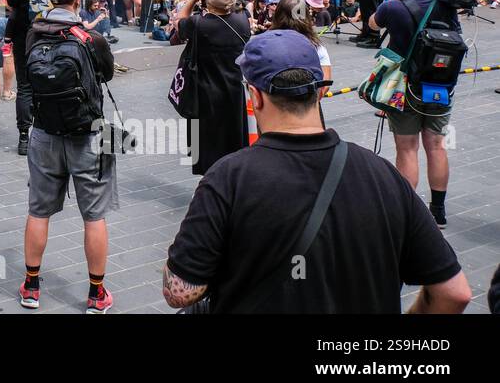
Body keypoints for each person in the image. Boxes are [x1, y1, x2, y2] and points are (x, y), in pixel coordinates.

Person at [162, 29, 470, 314]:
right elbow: (454, 293)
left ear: (254, 96)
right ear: (319, 92)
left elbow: (180, 292)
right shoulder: (383, 174)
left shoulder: (228, 178)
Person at [20, 0, 118, 313]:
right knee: (94, 215)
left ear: (50, 0)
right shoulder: (91, 39)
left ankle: (31, 286)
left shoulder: (34, 35)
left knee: (38, 210)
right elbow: (106, 74)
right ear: (78, 0)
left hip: (44, 131)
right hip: (88, 134)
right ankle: (96, 294)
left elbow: (27, 80)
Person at [369, 0, 454, 225]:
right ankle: (438, 211)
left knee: (407, 149)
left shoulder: (394, 7)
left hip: (405, 88)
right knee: (437, 146)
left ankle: (408, 213)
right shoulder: (447, 5)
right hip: (440, 86)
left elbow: (372, 23)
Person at [169, 0, 250, 175]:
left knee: (207, 144)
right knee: (233, 141)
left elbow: (178, 21)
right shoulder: (242, 20)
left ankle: (210, 182)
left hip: (205, 93)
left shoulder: (199, 24)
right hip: (234, 90)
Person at [7, 0, 57, 155]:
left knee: (25, 87)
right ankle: (48, 130)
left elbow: (10, 5)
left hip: (25, 39)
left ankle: (24, 137)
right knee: (51, 84)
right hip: (54, 39)